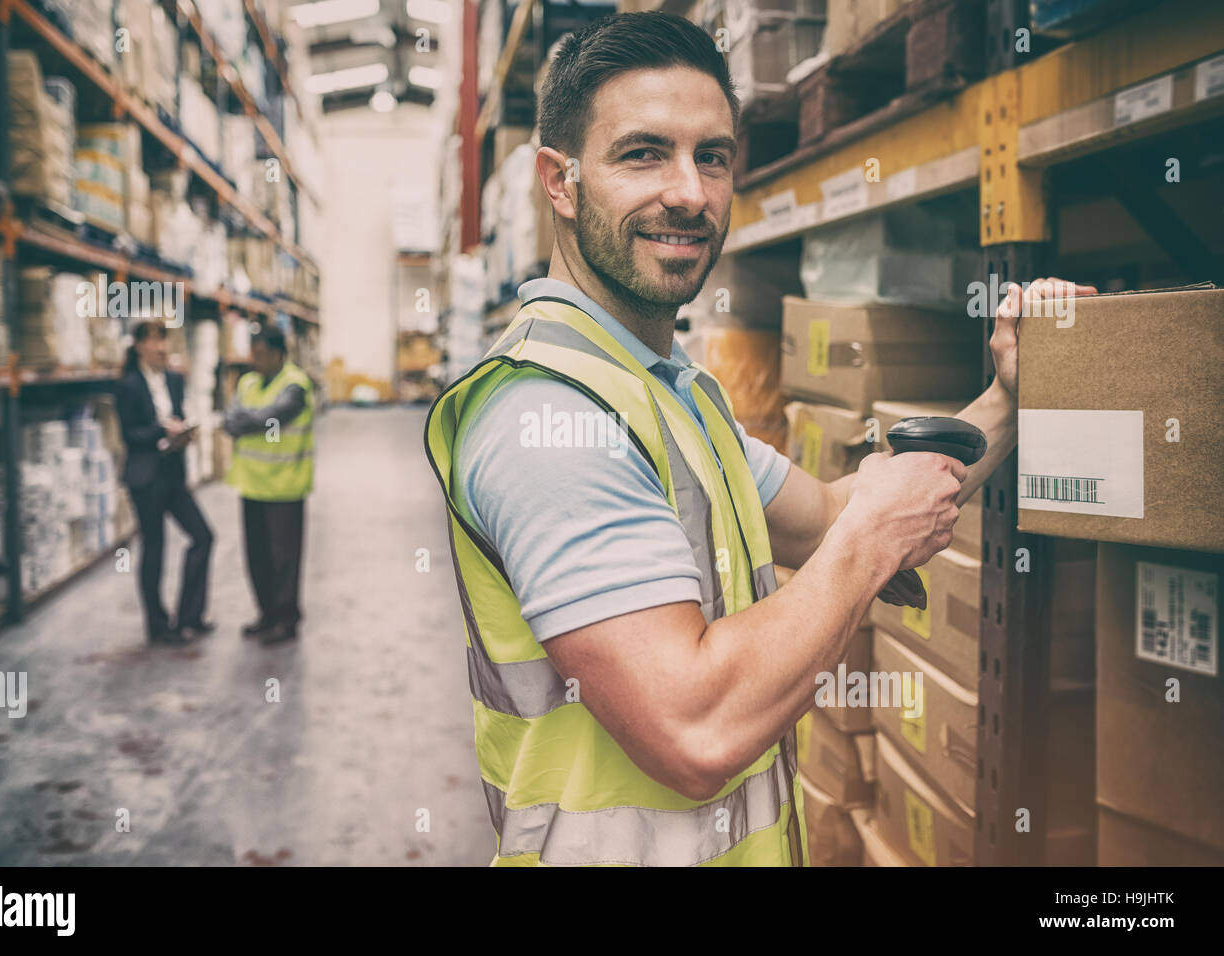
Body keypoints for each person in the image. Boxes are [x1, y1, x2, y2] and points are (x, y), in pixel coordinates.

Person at [424, 12, 1097, 866]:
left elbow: (833, 515)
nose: (690, 193)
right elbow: (693, 730)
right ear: (560, 182)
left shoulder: (673, 397)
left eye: (712, 156)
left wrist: (1008, 395)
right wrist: (867, 545)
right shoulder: (547, 419)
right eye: (643, 154)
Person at [116, 320, 216, 645]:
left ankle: (190, 616)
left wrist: (183, 434)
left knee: (203, 536)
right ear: (139, 346)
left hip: (172, 473)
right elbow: (130, 435)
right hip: (145, 477)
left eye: (163, 339)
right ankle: (158, 626)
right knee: (155, 548)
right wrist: (163, 431)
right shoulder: (129, 385)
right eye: (153, 340)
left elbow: (177, 415)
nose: (161, 347)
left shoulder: (174, 379)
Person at [222, 324, 315, 646]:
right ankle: (266, 615)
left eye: (262, 355)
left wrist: (248, 420)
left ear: (278, 354)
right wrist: (248, 419)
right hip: (251, 485)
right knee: (257, 557)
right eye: (253, 354)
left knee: (284, 559)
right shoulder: (247, 382)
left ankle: (286, 619)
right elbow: (229, 420)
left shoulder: (295, 386)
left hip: (285, 488)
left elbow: (273, 418)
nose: (256, 361)